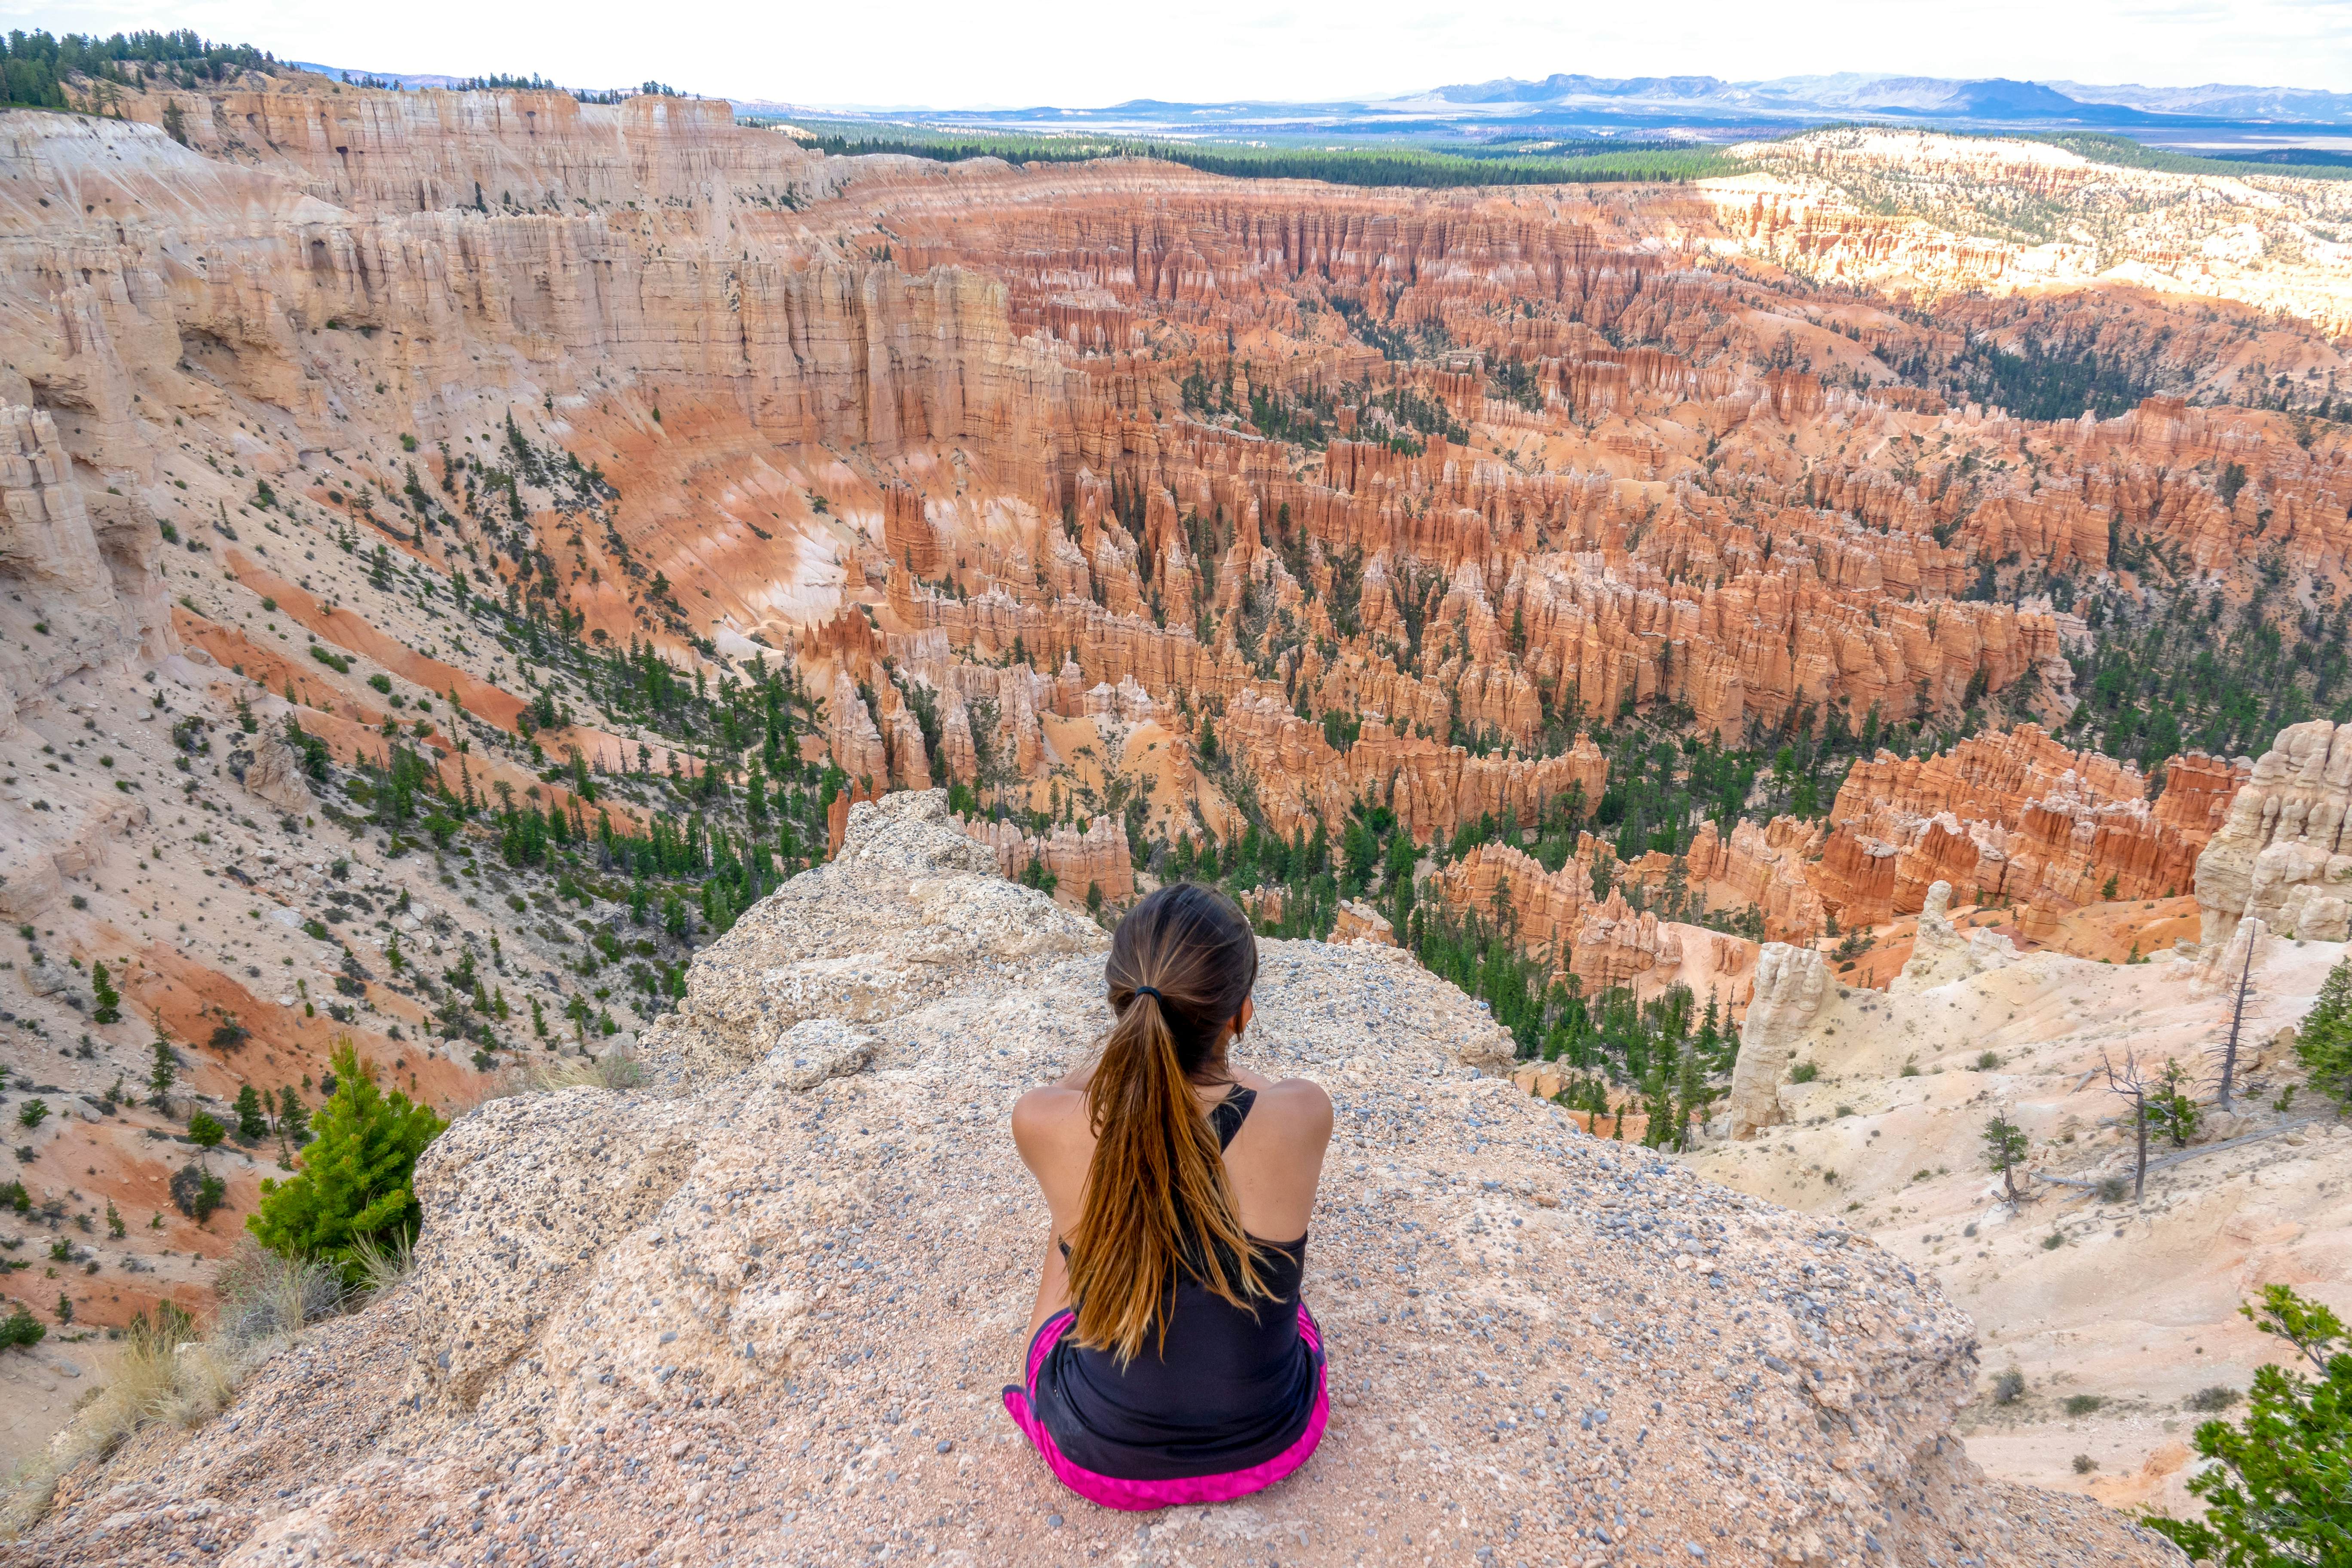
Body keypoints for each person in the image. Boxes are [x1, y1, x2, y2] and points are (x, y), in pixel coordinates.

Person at [1002, 883, 1335, 1510]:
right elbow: (1253, 1086)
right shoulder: (1304, 1113)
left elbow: (1077, 1089)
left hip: (1097, 1451)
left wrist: (1132, 1058)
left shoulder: (1042, 1122)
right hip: (1271, 1440)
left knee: (1072, 1217)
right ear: (1242, 1011)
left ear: (1121, 1004)